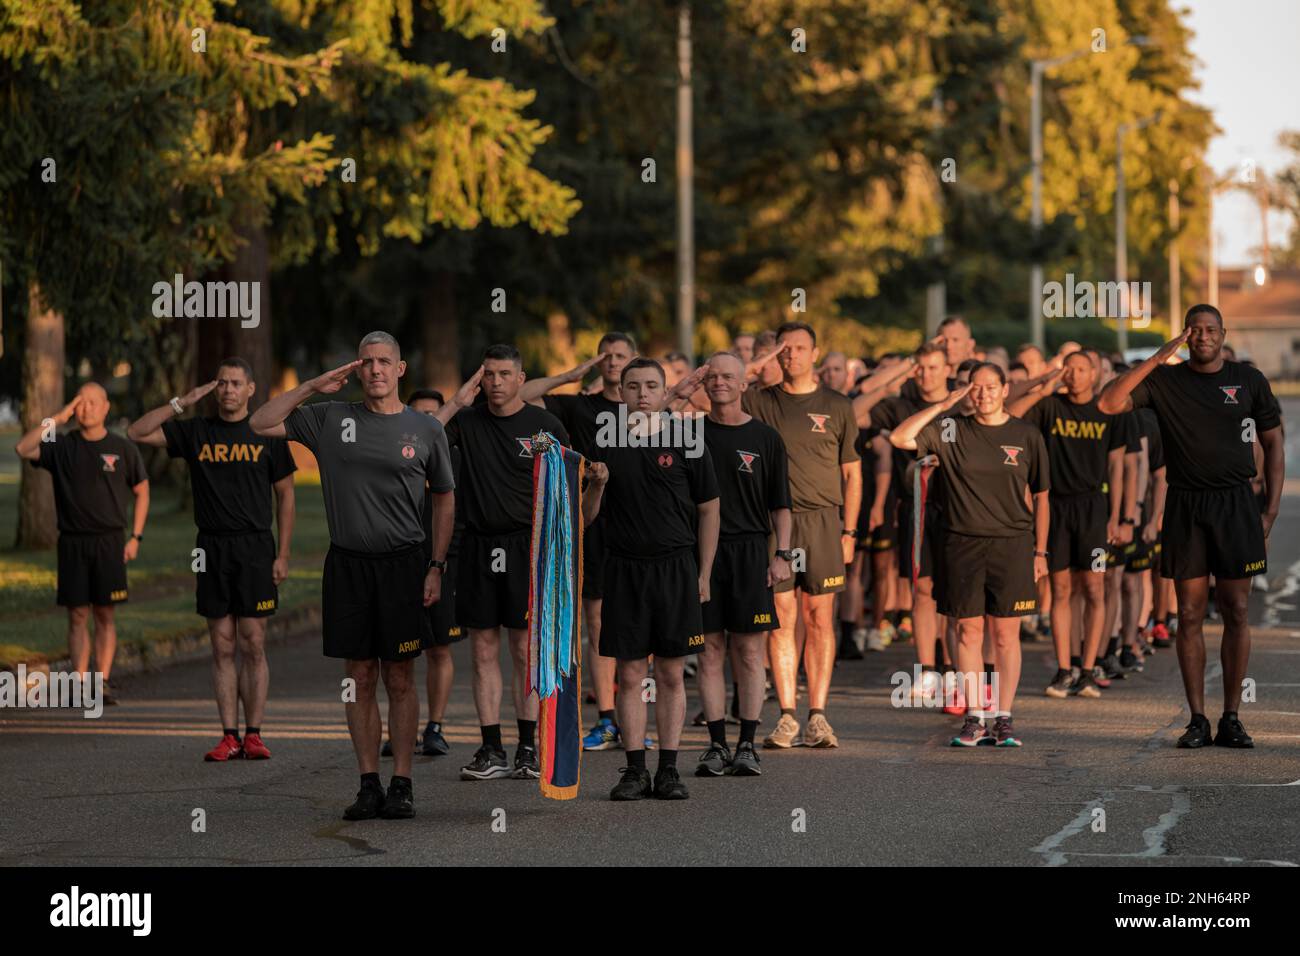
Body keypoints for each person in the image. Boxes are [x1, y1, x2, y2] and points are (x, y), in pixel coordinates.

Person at [251, 331, 455, 820]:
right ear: (356, 369)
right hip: (347, 565)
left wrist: (436, 564)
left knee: (400, 677)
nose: (376, 370)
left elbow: (445, 496)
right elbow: (261, 422)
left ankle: (402, 782)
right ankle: (368, 783)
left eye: (385, 361)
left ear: (401, 369)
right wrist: (311, 387)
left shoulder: (425, 429)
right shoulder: (330, 418)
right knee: (359, 675)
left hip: (405, 564)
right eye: (367, 362)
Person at [1099, 306, 1283, 748]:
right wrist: (1161, 355)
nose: (1202, 337)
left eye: (1210, 330)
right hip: (1186, 504)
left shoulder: (1249, 381)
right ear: (1185, 334)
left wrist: (1270, 510)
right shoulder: (1165, 379)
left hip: (1237, 504)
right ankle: (1198, 718)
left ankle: (1232, 717)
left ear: (1223, 333)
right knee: (1189, 614)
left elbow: (1274, 443)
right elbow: (1107, 402)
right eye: (1194, 330)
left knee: (1237, 610)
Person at [127, 359, 296, 760]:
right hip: (210, 548)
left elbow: (286, 495)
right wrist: (181, 402)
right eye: (221, 383)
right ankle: (229, 735)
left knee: (253, 642)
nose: (228, 390)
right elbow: (136, 431)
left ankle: (254, 734)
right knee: (221, 644)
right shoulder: (197, 432)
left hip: (256, 546)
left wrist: (283, 553)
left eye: (236, 383)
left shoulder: (266, 433)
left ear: (251, 390)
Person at [891, 364, 1050, 747]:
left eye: (991, 387)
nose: (983, 394)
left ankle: (1005, 717)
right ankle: (976, 716)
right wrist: (944, 403)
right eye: (974, 388)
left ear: (1005, 389)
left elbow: (1042, 496)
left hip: (1012, 544)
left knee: (1005, 634)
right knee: (968, 631)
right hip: (961, 544)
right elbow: (901, 438)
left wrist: (1040, 551)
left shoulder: (1026, 434)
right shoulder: (951, 429)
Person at [583, 358, 720, 800]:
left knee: (671, 673)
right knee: (628, 675)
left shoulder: (688, 439)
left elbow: (709, 509)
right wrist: (597, 484)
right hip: (623, 568)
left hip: (676, 568)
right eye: (633, 386)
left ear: (664, 392)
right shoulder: (606, 440)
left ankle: (669, 769)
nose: (642, 393)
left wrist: (704, 573)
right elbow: (588, 516)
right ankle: (634, 769)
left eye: (651, 386)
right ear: (621, 393)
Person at [434, 345, 571, 780]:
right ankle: (490, 747)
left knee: (523, 648)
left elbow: (567, 490)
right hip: (478, 545)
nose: (495, 382)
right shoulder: (468, 421)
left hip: (529, 547)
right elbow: (421, 437)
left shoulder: (545, 426)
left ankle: (527, 747)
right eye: (488, 374)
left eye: (504, 374)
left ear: (521, 378)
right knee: (482, 649)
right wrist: (457, 400)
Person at [741, 322, 860, 749]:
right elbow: (717, 387)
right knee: (782, 621)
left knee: (819, 619)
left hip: (825, 522)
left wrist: (850, 530)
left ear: (815, 352)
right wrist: (758, 363)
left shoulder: (837, 405)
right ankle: (788, 715)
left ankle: (818, 716)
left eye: (799, 348)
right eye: (783, 349)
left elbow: (852, 472)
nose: (791, 355)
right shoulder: (759, 399)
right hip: (777, 524)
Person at [520, 332, 641, 750]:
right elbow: (522, 393)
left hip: (639, 525)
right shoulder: (581, 406)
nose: (612, 362)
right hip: (592, 522)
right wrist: (571, 375)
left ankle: (638, 719)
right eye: (605, 356)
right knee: (597, 621)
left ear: (635, 361)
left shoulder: (647, 412)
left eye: (621, 356)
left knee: (640, 624)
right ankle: (607, 719)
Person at [678, 352, 792, 777]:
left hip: (748, 553)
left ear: (745, 384)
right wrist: (680, 390)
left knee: (748, 651)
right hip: (700, 553)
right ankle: (715, 746)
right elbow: (639, 426)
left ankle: (747, 743)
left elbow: (781, 505)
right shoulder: (689, 432)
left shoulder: (766, 438)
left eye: (729, 377)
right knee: (708, 650)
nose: (720, 383)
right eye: (712, 376)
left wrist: (783, 555)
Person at [1007, 350, 1136, 700]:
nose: (1074, 375)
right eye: (1069, 368)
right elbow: (1011, 411)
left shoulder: (1107, 409)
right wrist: (1043, 384)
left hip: (1093, 508)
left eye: (1081, 369)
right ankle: (1065, 669)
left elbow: (1117, 467)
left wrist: (1119, 516)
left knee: (1095, 588)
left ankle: (1088, 669)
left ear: (1094, 374)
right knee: (1061, 590)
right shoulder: (1050, 406)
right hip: (1056, 507)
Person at [16, 382, 149, 705]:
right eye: (81, 402)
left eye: (93, 402)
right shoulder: (62, 447)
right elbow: (24, 448)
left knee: (105, 614)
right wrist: (56, 419)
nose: (86, 407)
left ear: (106, 408)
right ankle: (78, 684)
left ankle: (100, 682)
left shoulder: (123, 449)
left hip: (110, 543)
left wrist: (135, 537)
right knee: (77, 615)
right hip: (72, 543)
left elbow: (142, 490)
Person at [869, 343, 952, 692]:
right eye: (921, 368)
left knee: (952, 593)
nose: (926, 374)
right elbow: (856, 410)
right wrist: (899, 370)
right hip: (915, 508)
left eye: (934, 367)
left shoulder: (961, 404)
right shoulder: (899, 405)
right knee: (922, 590)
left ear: (948, 369)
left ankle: (951, 668)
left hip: (956, 508)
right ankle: (928, 669)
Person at [401, 388, 464, 757]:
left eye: (434, 414)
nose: (428, 421)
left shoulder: (454, 455)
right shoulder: (398, 453)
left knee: (440, 647)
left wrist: (447, 560)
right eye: (419, 414)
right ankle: (403, 726)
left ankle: (435, 726)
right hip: (402, 560)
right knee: (402, 652)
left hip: (444, 561)